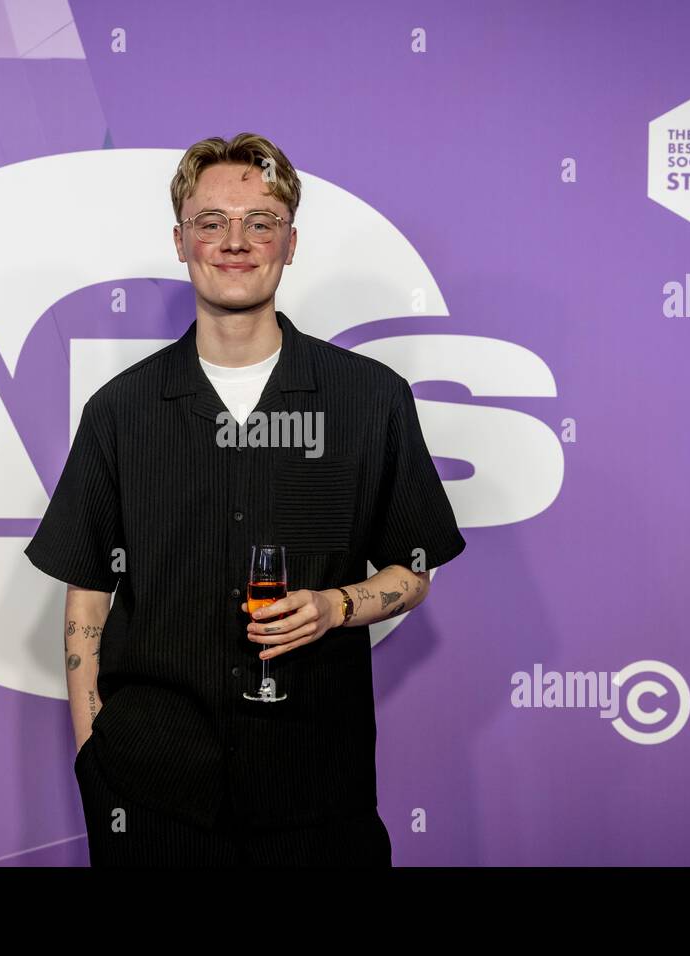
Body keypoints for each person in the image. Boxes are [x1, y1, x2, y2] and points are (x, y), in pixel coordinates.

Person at [25, 132, 465, 866]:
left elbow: (413, 570)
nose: (235, 242)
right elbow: (87, 601)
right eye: (211, 222)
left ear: (289, 243)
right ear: (180, 240)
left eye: (259, 223)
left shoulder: (370, 401)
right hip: (152, 798)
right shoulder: (120, 411)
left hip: (318, 796)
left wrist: (335, 606)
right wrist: (94, 762)